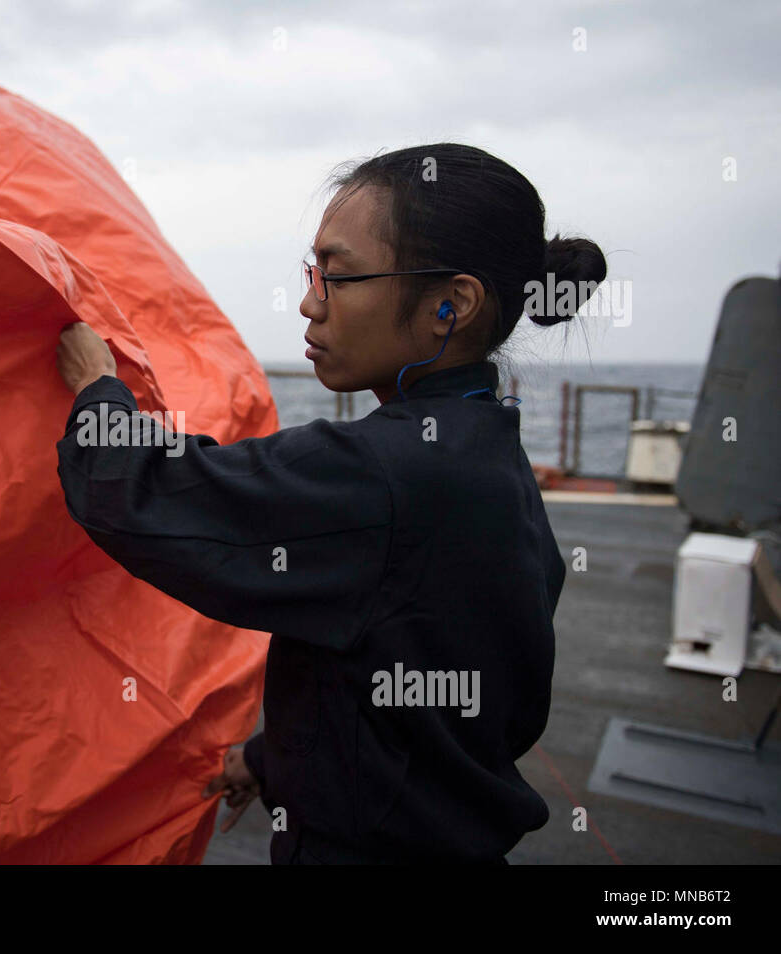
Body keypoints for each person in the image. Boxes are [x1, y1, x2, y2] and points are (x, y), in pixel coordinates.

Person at [54, 143, 606, 864]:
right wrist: (273, 757)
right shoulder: (487, 452)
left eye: (340, 277)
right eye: (312, 273)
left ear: (453, 305)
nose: (312, 302)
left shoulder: (384, 473)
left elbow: (146, 496)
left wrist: (96, 387)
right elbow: (409, 680)